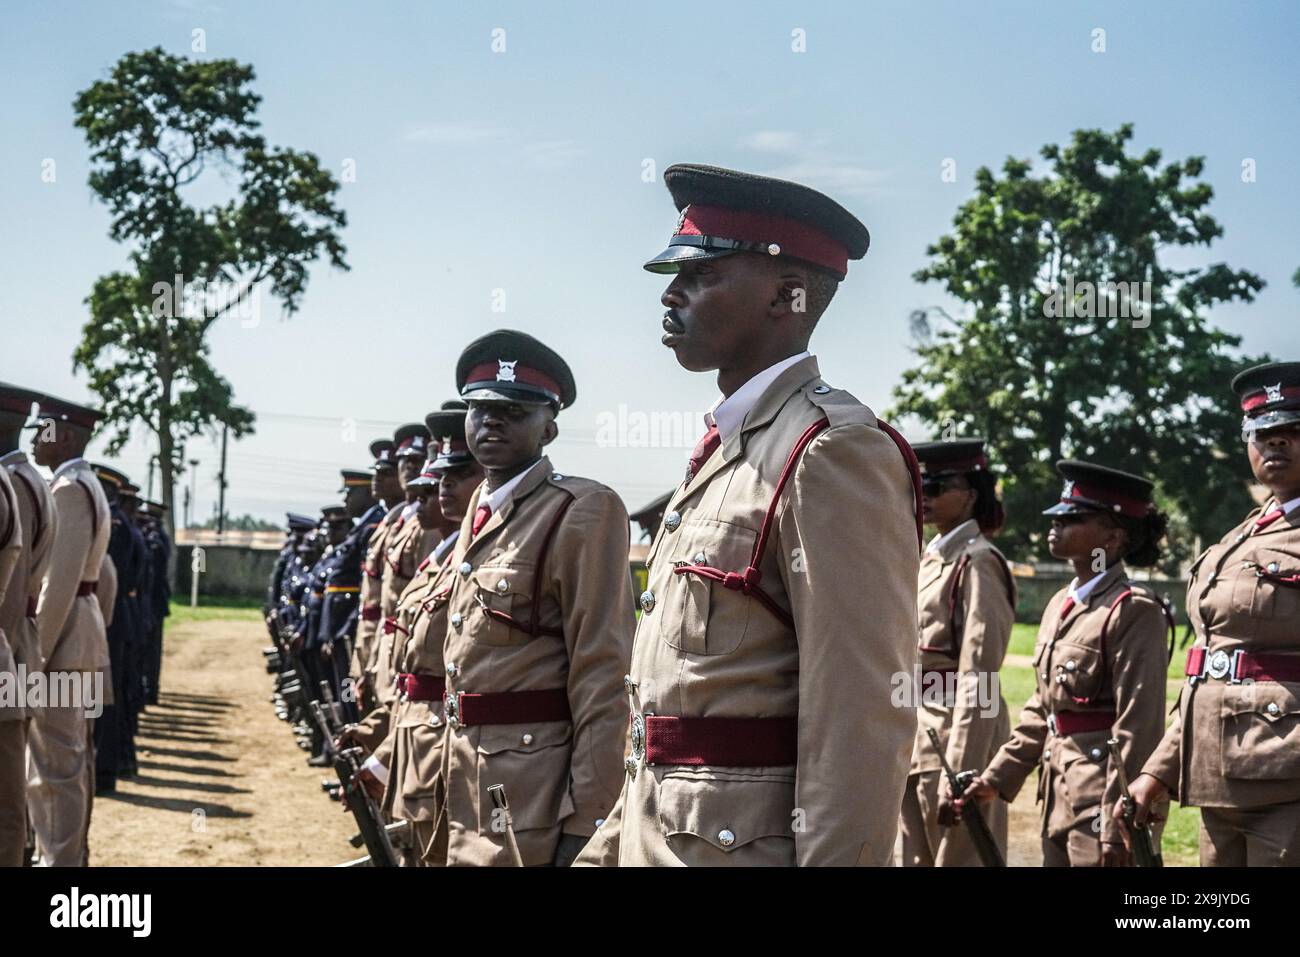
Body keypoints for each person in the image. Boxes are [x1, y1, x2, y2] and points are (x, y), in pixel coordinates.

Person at [577, 164, 921, 867]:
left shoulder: (830, 451)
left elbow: (860, 723)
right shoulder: (729, 448)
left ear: (784, 295)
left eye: (701, 274)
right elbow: (669, 721)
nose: (670, 293)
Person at [437, 329, 634, 867]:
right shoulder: (480, 508)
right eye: (480, 410)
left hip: (534, 788)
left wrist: (590, 819)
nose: (493, 421)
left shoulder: (581, 510)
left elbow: (603, 670)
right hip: (464, 770)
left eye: (515, 411)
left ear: (549, 426)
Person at [951, 460, 1173, 867]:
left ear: (1112, 535)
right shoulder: (1061, 604)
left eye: (1075, 517)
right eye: (1058, 514)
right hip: (1057, 794)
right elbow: (1043, 709)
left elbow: (1138, 726)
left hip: (1099, 803)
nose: (1057, 523)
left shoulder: (1132, 610)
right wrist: (996, 778)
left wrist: (1114, 822)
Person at [1128, 361, 1300, 866]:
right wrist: (1158, 769)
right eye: (1263, 433)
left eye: (1293, 431)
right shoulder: (1240, 537)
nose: (1276, 444)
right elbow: (1211, 668)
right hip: (1219, 778)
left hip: (1289, 782)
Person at [363, 404, 485, 865]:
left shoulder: (469, 558)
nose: (440, 489)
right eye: (438, 479)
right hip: (416, 737)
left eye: (457, 475)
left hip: (446, 748)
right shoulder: (443, 557)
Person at [899, 438, 1016, 867]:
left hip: (952, 738)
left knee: (959, 861)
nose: (923, 495)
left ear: (970, 493)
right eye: (919, 484)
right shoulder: (930, 558)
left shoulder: (978, 561)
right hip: (915, 734)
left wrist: (963, 766)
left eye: (937, 485)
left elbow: (980, 673)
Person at [27, 395, 111, 866]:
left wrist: (32, 660)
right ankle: (69, 857)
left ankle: (60, 864)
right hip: (82, 635)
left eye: (46, 430)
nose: (37, 438)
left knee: (54, 769)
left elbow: (56, 588)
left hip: (64, 641)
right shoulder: (83, 483)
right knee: (72, 761)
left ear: (69, 437)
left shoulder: (69, 489)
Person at [0, 384, 57, 866]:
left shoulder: (12, 482)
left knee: (8, 793)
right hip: (19, 646)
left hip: (10, 644)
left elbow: (10, 589)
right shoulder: (30, 477)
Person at [90, 465, 146, 794]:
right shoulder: (118, 522)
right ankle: (113, 763)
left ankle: (105, 770)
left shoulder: (114, 524)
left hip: (109, 614)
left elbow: (109, 576)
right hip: (117, 612)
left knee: (104, 699)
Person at [352, 438, 403, 712]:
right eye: (376, 472)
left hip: (390, 645)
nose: (377, 479)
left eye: (386, 473)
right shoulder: (387, 523)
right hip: (371, 638)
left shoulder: (416, 526)